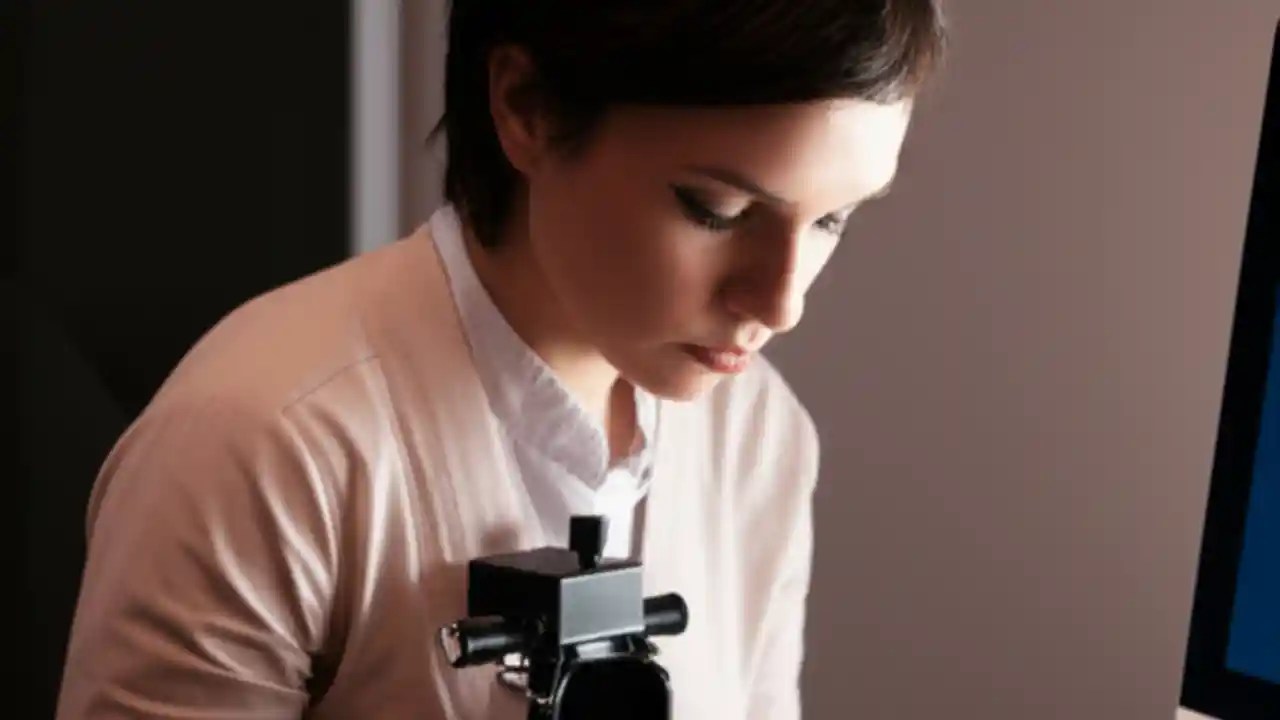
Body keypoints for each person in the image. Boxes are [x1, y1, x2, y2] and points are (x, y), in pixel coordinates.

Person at [56, 1, 947, 717]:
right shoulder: (260, 442)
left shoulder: (760, 437)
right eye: (715, 209)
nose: (782, 304)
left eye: (833, 219)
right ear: (526, 107)